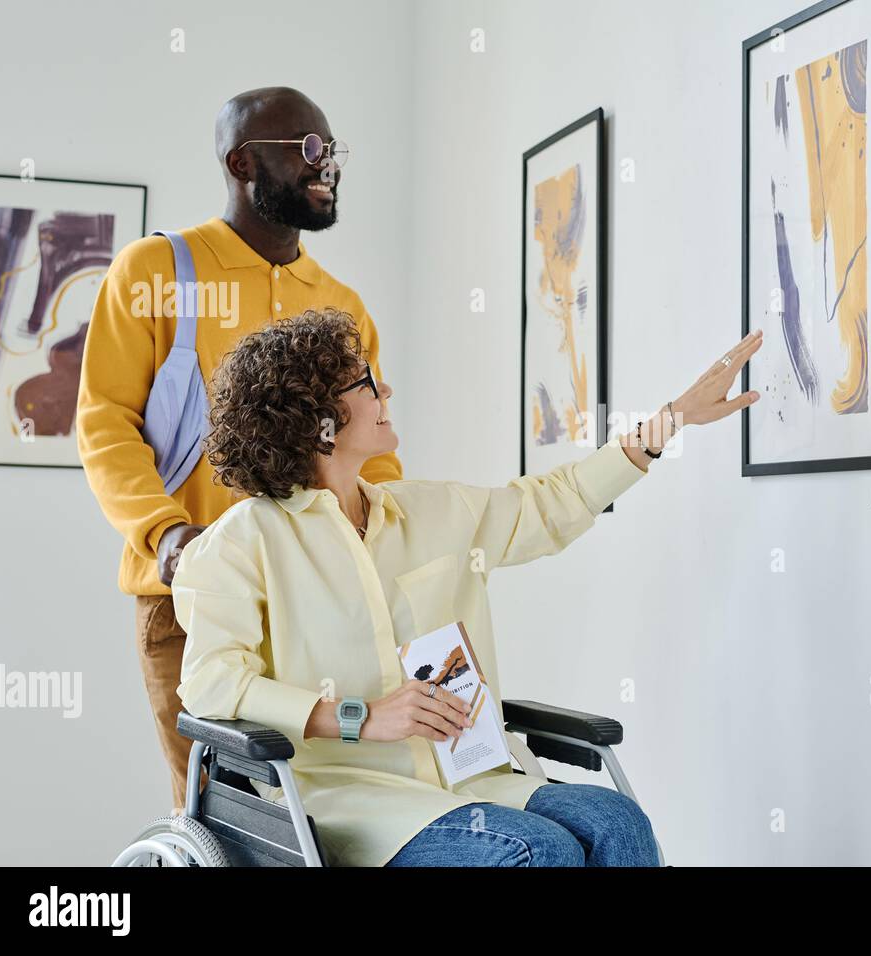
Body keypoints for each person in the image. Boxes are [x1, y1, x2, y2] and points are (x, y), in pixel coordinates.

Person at [170, 308, 763, 866]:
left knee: (617, 823)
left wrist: (670, 420)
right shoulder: (242, 544)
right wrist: (359, 717)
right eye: (367, 384)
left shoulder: (428, 513)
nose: (387, 393)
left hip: (473, 777)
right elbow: (213, 682)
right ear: (318, 422)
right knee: (534, 851)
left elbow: (552, 503)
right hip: (347, 800)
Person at [76, 87, 402, 812]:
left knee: (333, 817)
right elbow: (103, 424)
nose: (329, 165)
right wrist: (165, 533)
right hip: (189, 601)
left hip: (321, 604)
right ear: (242, 161)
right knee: (226, 821)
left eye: (333, 149)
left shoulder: (341, 304)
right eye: (309, 149)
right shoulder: (154, 272)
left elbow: (374, 461)